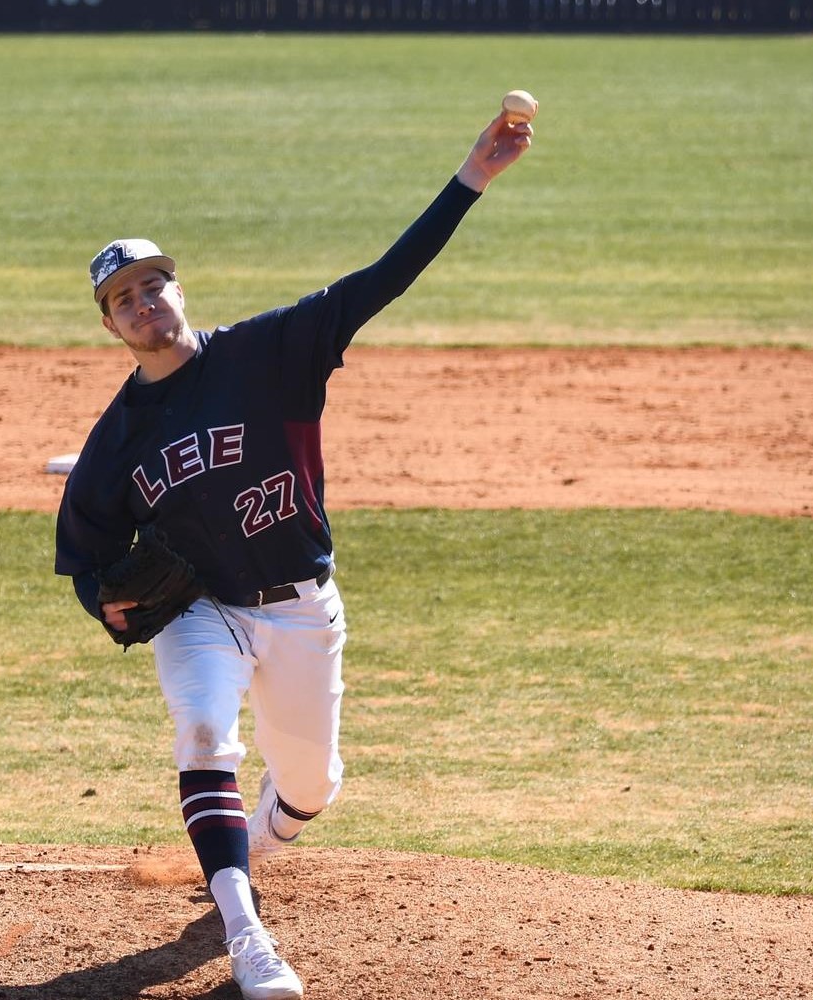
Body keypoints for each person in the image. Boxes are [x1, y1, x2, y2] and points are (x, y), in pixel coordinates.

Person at [53, 100, 532, 1000]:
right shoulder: (115, 438)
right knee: (202, 731)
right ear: (110, 327)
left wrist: (473, 177)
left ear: (178, 290)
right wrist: (103, 604)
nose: (142, 303)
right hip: (204, 618)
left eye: (153, 285)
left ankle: (270, 829)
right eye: (122, 300)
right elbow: (83, 551)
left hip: (304, 608)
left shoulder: (270, 351)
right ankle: (245, 932)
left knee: (309, 786)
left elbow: (382, 279)